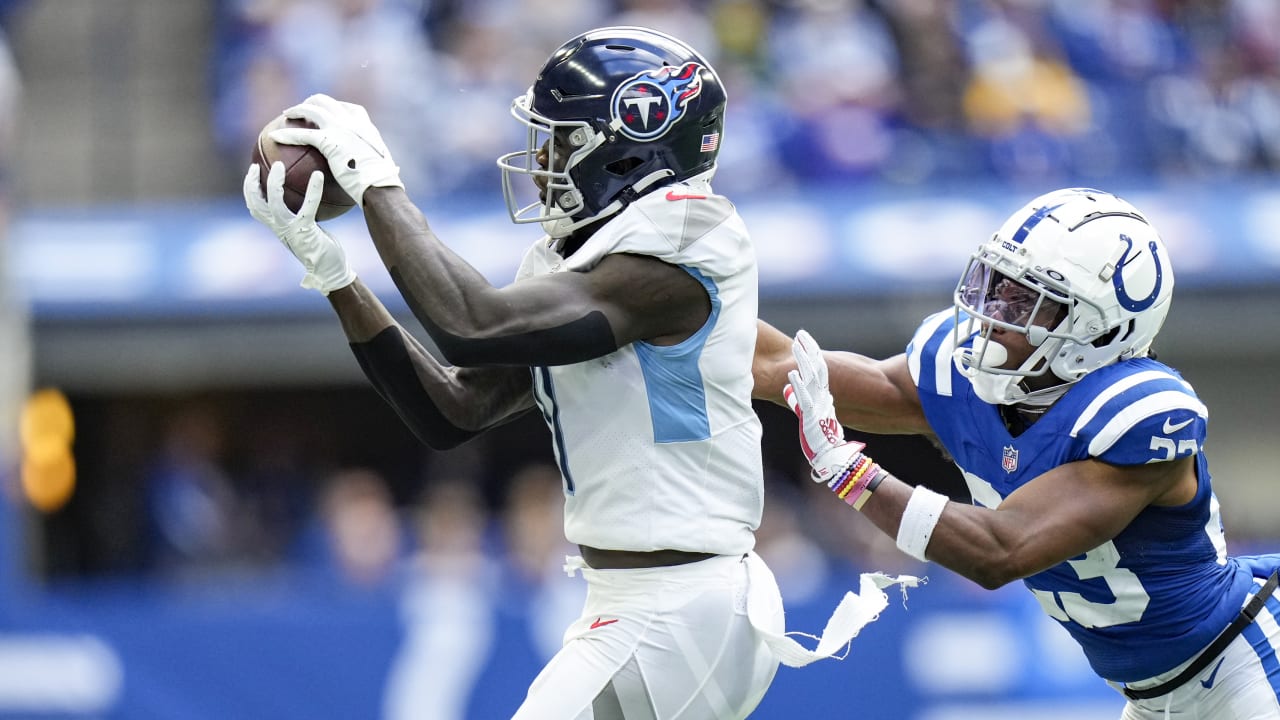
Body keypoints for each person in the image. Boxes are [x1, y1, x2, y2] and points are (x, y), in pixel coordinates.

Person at [243, 25, 912, 720]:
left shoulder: (676, 252)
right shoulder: (592, 261)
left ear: (630, 150)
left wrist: (377, 184)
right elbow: (453, 410)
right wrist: (334, 274)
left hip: (679, 604)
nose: (541, 160)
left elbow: (472, 326)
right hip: (650, 603)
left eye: (562, 140)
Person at [753, 187, 1280, 718]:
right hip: (1156, 695)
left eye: (1026, 301)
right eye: (998, 287)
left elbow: (999, 551)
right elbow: (785, 367)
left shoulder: (1136, 417)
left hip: (1245, 664)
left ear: (1096, 328)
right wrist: (688, 319)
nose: (994, 313)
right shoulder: (962, 377)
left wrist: (850, 472)